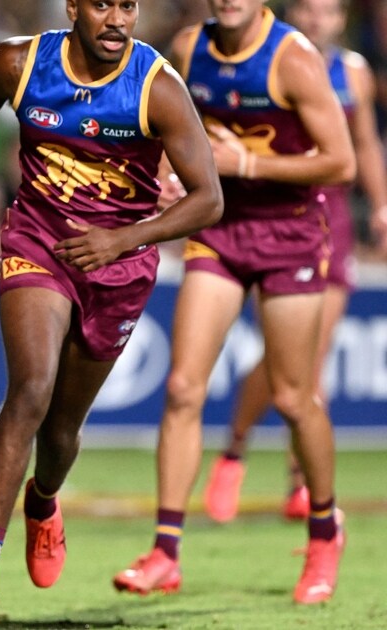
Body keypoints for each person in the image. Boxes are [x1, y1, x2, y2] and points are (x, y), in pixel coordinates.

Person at [0, 1, 223, 628]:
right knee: (30, 391)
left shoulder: (157, 87)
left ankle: (43, 500)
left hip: (119, 267)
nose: (117, 18)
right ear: (73, 6)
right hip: (37, 244)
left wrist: (123, 239)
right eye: (102, 4)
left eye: (128, 5)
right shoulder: (17, 64)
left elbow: (209, 199)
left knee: (61, 431)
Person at [113, 0, 355, 605]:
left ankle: (325, 531)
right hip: (219, 230)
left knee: (295, 397)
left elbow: (342, 161)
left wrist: (245, 162)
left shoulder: (293, 59)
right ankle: (165, 552)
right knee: (182, 388)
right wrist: (167, 174)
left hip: (290, 235)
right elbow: (168, 128)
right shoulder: (190, 48)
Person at [201, 0, 387, 524]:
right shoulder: (272, 60)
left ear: (341, 20)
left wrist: (380, 206)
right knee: (289, 362)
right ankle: (237, 446)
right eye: (308, 9)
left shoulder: (353, 72)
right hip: (273, 217)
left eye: (327, 12)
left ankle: (299, 481)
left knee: (312, 355)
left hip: (332, 224)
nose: (316, 20)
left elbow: (364, 144)